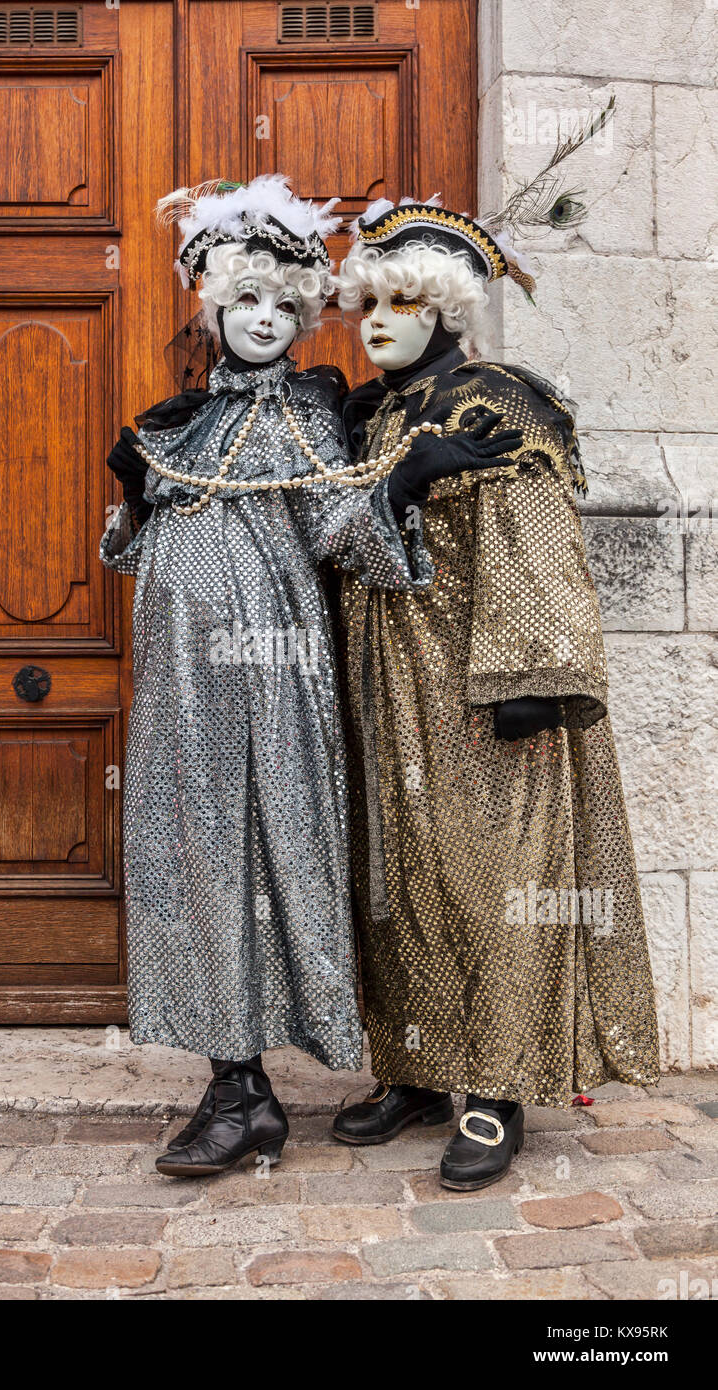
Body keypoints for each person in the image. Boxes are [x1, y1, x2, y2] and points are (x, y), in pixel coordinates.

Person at [99, 176, 433, 1178]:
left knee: (261, 858)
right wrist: (132, 486)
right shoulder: (183, 423)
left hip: (268, 678)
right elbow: (128, 551)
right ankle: (234, 1083)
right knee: (192, 862)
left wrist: (399, 487)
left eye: (280, 306)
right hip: (176, 688)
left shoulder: (311, 414)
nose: (260, 319)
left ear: (299, 314)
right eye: (243, 302)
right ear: (212, 307)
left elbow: (343, 534)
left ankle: (250, 1084)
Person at [330, 193, 661, 1190]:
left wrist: (530, 678)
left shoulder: (497, 403)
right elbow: (335, 548)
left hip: (482, 693)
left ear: (443, 308)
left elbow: (539, 545)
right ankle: (415, 1067)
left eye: (399, 302)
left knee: (496, 886)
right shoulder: (365, 418)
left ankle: (495, 1090)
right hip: (385, 685)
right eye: (364, 304)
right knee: (396, 886)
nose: (377, 321)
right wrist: (387, 487)